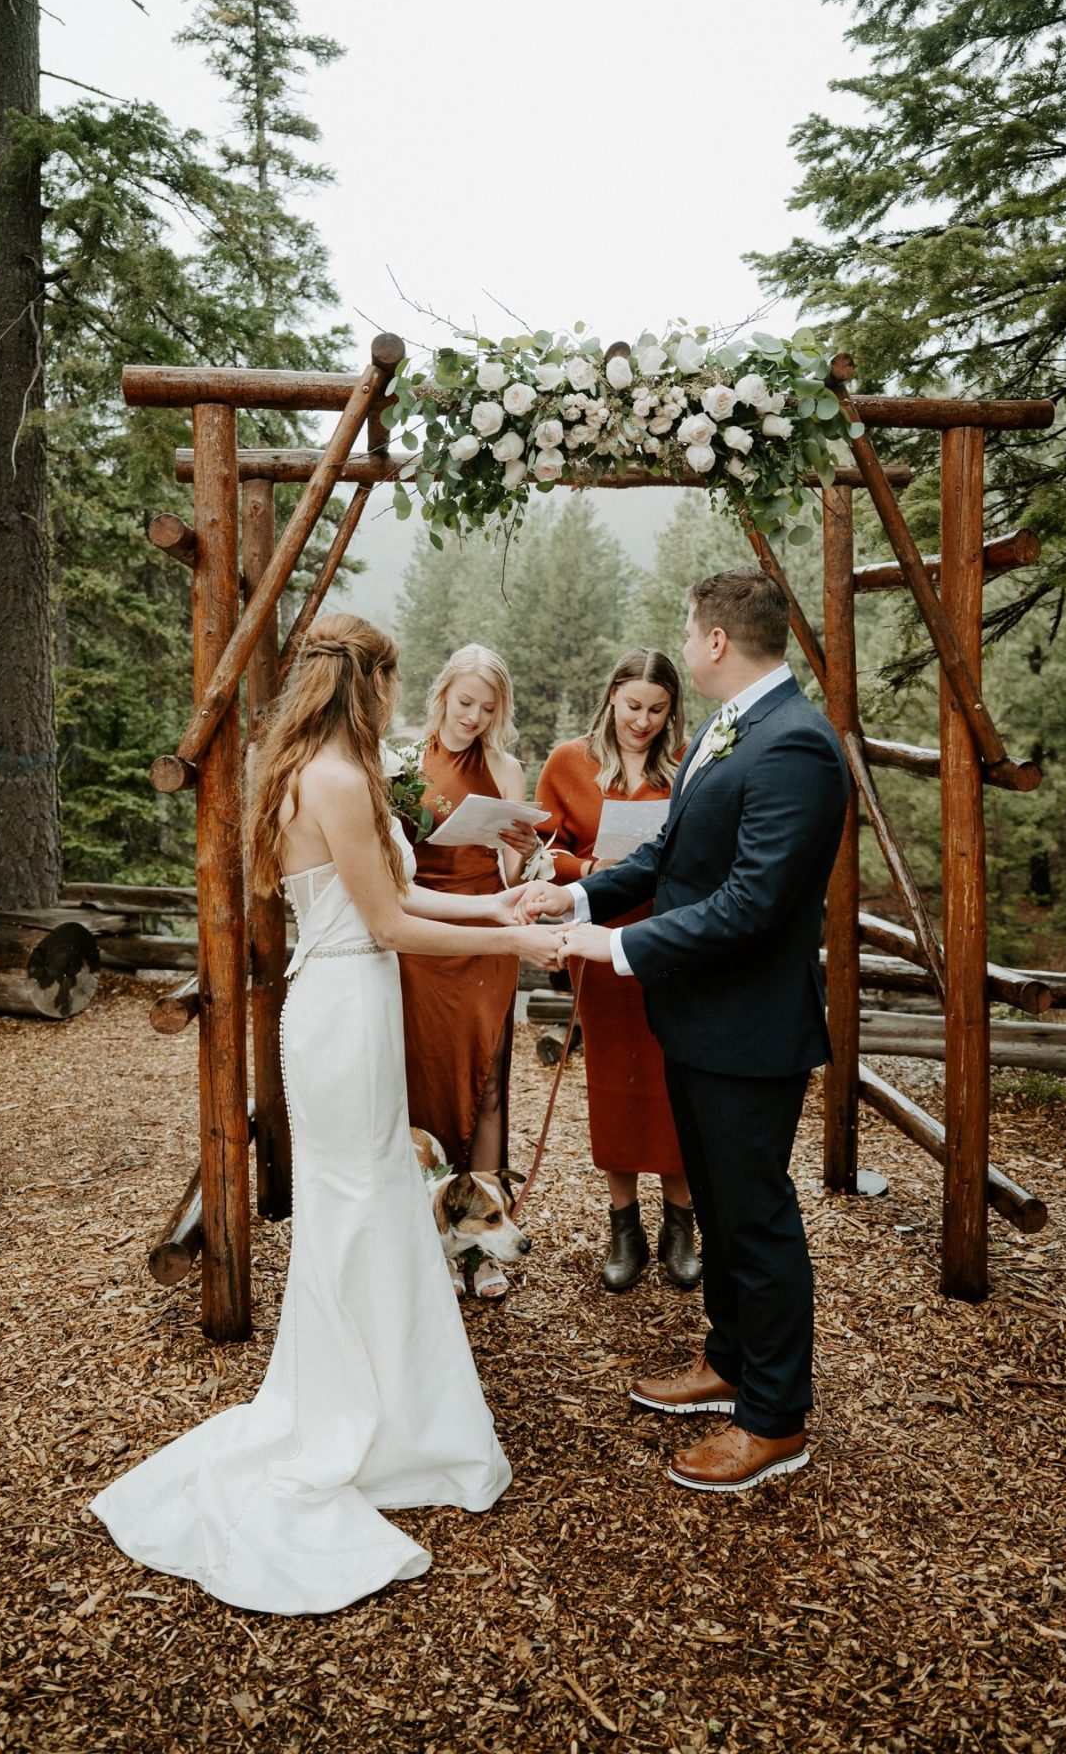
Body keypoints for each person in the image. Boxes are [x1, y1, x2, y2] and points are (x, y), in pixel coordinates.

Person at [90, 615, 560, 1612]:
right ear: (371, 682)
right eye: (392, 681)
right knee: (357, 1208)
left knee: (374, 1204)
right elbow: (385, 922)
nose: (396, 697)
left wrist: (499, 909)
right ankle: (363, 1416)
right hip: (345, 1007)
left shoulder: (331, 767)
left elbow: (395, 896)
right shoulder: (339, 779)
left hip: (355, 999)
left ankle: (389, 1406)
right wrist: (513, 945)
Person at [519, 572, 848, 1494]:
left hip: (749, 1027)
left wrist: (614, 946)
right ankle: (731, 1363)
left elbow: (750, 904)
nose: (685, 638)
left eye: (687, 627)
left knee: (757, 1218)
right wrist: (579, 898)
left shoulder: (795, 744)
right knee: (719, 1201)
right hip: (697, 1020)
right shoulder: (722, 728)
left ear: (714, 641)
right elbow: (670, 855)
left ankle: (774, 1420)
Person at [532, 648, 701, 1292]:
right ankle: (624, 1225)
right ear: (611, 697)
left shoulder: (688, 762)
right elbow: (542, 853)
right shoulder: (568, 762)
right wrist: (587, 870)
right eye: (633, 706)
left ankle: (681, 1224)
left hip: (670, 940)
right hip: (598, 939)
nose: (643, 721)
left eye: (657, 710)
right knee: (614, 1081)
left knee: (675, 1080)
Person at [399, 645, 538, 1297]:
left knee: (487, 1085)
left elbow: (510, 876)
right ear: (442, 695)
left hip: (486, 937)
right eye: (464, 703)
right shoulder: (402, 762)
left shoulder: (506, 769)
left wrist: (522, 849)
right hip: (424, 940)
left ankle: (485, 1249)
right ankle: (426, 1242)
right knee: (421, 1085)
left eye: (486, 708)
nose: (473, 717)